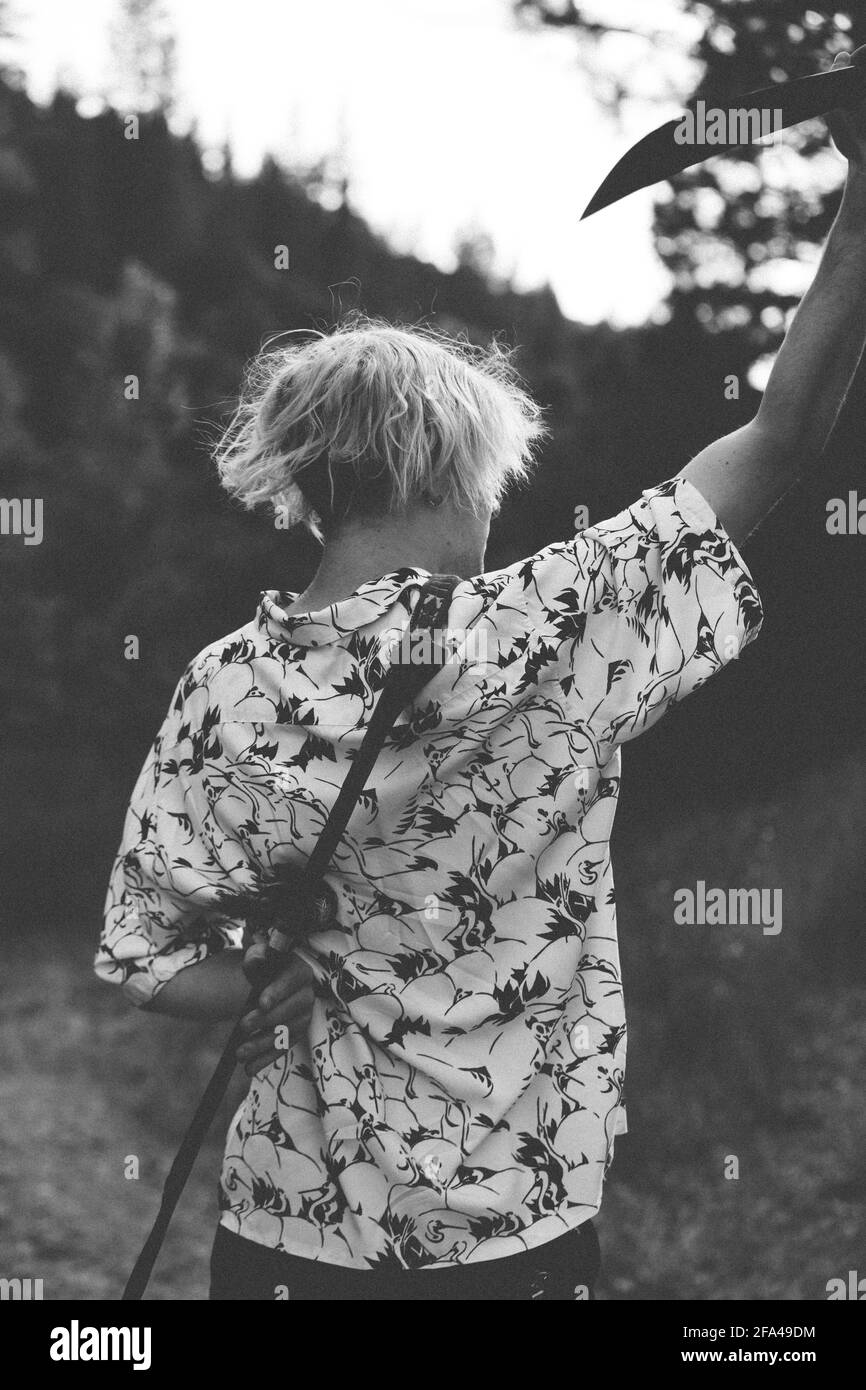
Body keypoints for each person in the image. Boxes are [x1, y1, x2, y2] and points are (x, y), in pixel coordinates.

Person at [96, 46, 866, 1300]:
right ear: (446, 467)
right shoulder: (541, 633)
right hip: (510, 1228)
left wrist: (267, 976)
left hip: (292, 1226)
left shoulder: (221, 687)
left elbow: (143, 961)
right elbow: (779, 439)